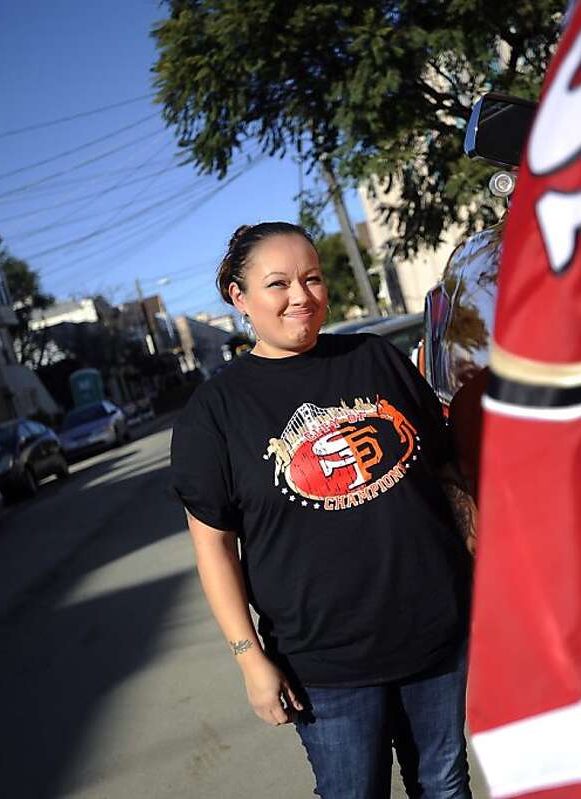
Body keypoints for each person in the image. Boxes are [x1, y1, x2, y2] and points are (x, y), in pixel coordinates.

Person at [171, 221, 477, 798]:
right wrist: (249, 660)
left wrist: (477, 563)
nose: (301, 297)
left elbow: (443, 471)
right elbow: (213, 546)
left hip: (434, 632)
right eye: (278, 283)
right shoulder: (215, 412)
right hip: (326, 665)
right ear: (239, 297)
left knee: (443, 783)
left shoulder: (375, 358)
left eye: (311, 278)